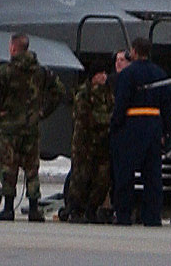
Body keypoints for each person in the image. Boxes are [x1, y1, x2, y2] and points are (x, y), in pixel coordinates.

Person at [0, 33, 66, 222]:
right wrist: (44, 112)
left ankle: (8, 208)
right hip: (31, 128)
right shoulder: (41, 72)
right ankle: (34, 209)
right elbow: (59, 90)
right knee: (32, 169)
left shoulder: (6, 71)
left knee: (8, 168)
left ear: (13, 48)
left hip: (11, 128)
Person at [107, 37, 171, 227]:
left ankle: (124, 214)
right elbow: (167, 104)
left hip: (132, 125)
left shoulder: (127, 74)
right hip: (153, 125)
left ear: (134, 51)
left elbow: (121, 103)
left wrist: (115, 125)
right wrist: (165, 131)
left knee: (125, 173)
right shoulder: (160, 73)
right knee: (152, 175)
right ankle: (152, 216)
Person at [65, 56, 114, 223]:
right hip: (84, 144)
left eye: (105, 73)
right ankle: (75, 210)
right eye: (100, 73)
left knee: (102, 179)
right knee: (80, 178)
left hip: (102, 144)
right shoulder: (83, 94)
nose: (104, 77)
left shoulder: (108, 93)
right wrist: (110, 119)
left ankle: (92, 209)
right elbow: (86, 117)